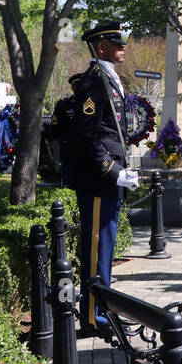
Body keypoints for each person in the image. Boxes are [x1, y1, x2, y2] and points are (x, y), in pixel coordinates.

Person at [69, 20, 139, 336]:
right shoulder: (94, 82)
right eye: (117, 43)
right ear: (102, 48)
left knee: (106, 248)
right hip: (99, 181)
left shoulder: (109, 79)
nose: (123, 47)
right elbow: (87, 137)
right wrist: (114, 171)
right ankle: (94, 317)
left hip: (107, 180)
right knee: (97, 249)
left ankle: (103, 310)